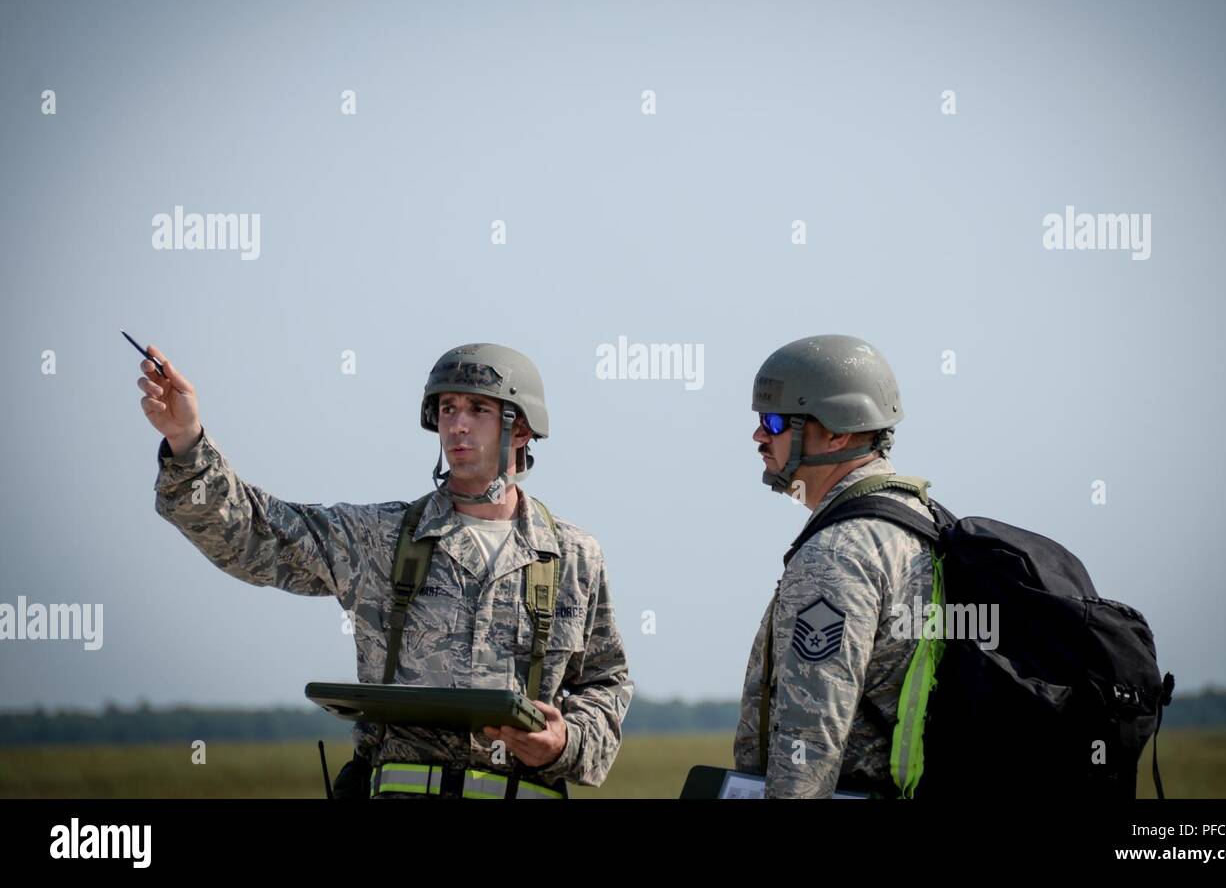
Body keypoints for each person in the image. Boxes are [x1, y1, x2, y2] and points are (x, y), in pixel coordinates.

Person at [139, 341, 633, 799]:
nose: (457, 425)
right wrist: (187, 440)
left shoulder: (572, 556)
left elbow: (606, 681)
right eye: (447, 409)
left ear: (521, 428)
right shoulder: (381, 537)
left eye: (478, 410)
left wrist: (564, 741)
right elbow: (257, 534)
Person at [733, 334, 938, 798]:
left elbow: (810, 733)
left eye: (775, 420)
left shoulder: (838, 553)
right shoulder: (921, 520)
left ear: (837, 431)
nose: (760, 436)